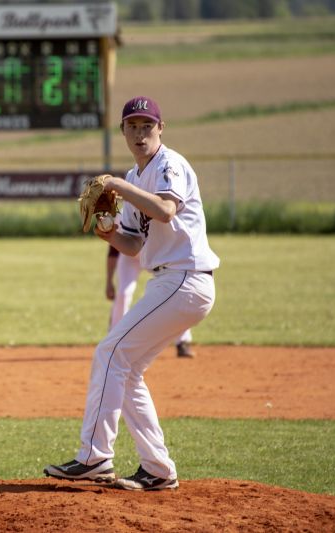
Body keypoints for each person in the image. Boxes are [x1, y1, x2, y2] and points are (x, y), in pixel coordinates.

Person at [44, 96, 219, 490]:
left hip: (186, 278)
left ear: (161, 128)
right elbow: (135, 244)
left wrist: (118, 184)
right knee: (127, 369)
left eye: (147, 126)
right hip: (169, 281)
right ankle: (158, 469)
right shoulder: (135, 176)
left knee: (110, 351)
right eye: (132, 126)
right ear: (122, 132)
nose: (140, 133)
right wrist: (107, 232)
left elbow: (166, 210)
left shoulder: (169, 165)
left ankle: (93, 458)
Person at [106, 245, 196, 357]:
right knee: (123, 294)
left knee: (176, 291)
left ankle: (183, 342)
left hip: (158, 254)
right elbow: (114, 251)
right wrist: (109, 281)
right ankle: (113, 343)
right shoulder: (120, 226)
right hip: (130, 256)